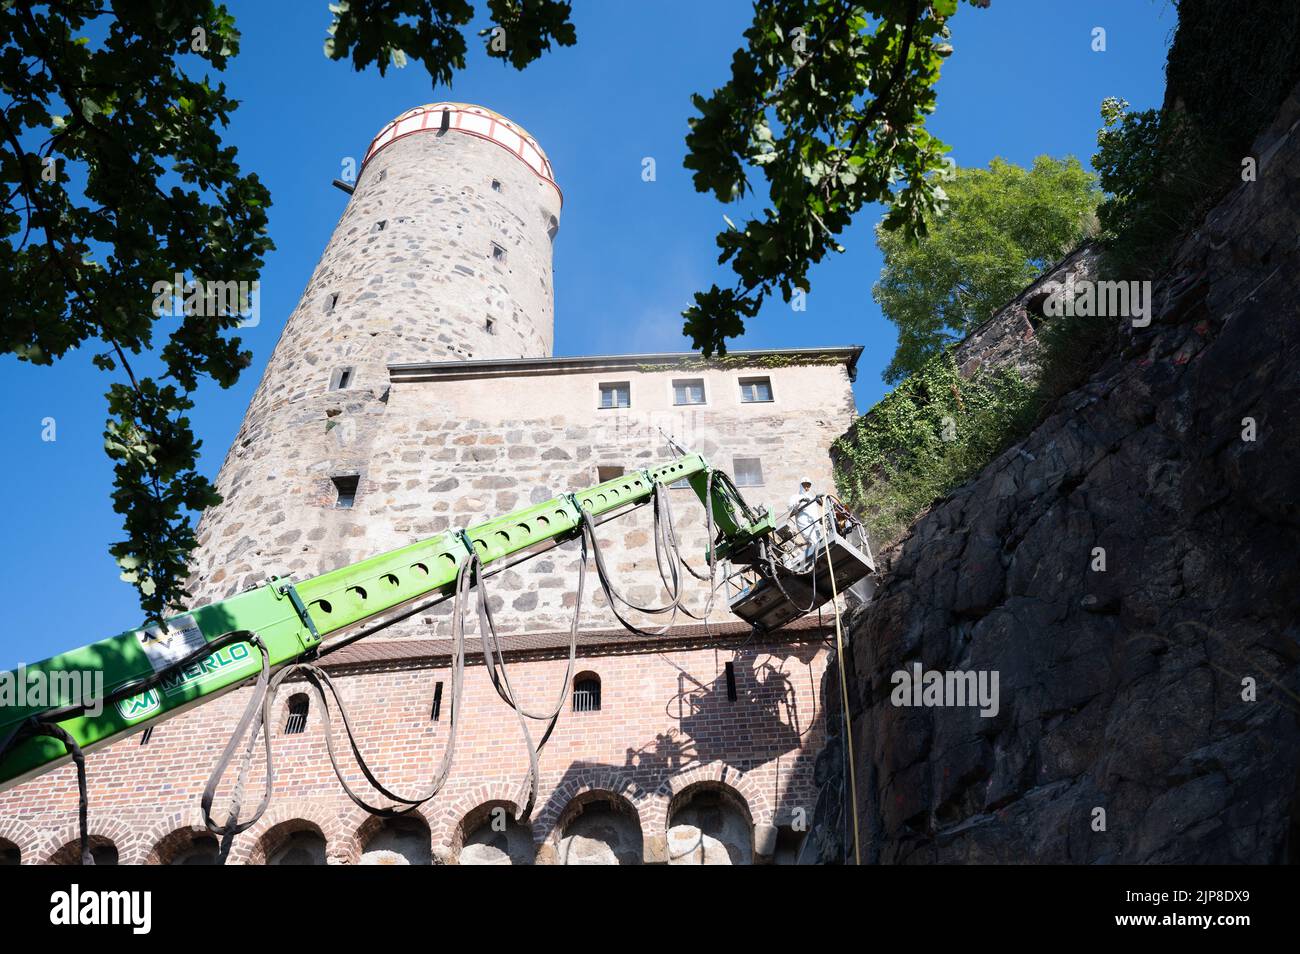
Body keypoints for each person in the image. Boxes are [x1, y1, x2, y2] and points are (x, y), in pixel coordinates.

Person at [788, 478, 823, 566]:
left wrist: (818, 501)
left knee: (818, 541)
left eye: (808, 485)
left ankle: (813, 560)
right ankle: (814, 563)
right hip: (803, 522)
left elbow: (815, 513)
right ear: (801, 485)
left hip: (814, 523)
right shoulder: (795, 497)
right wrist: (800, 501)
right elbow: (790, 511)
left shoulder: (811, 498)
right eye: (805, 485)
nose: (807, 487)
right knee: (813, 540)